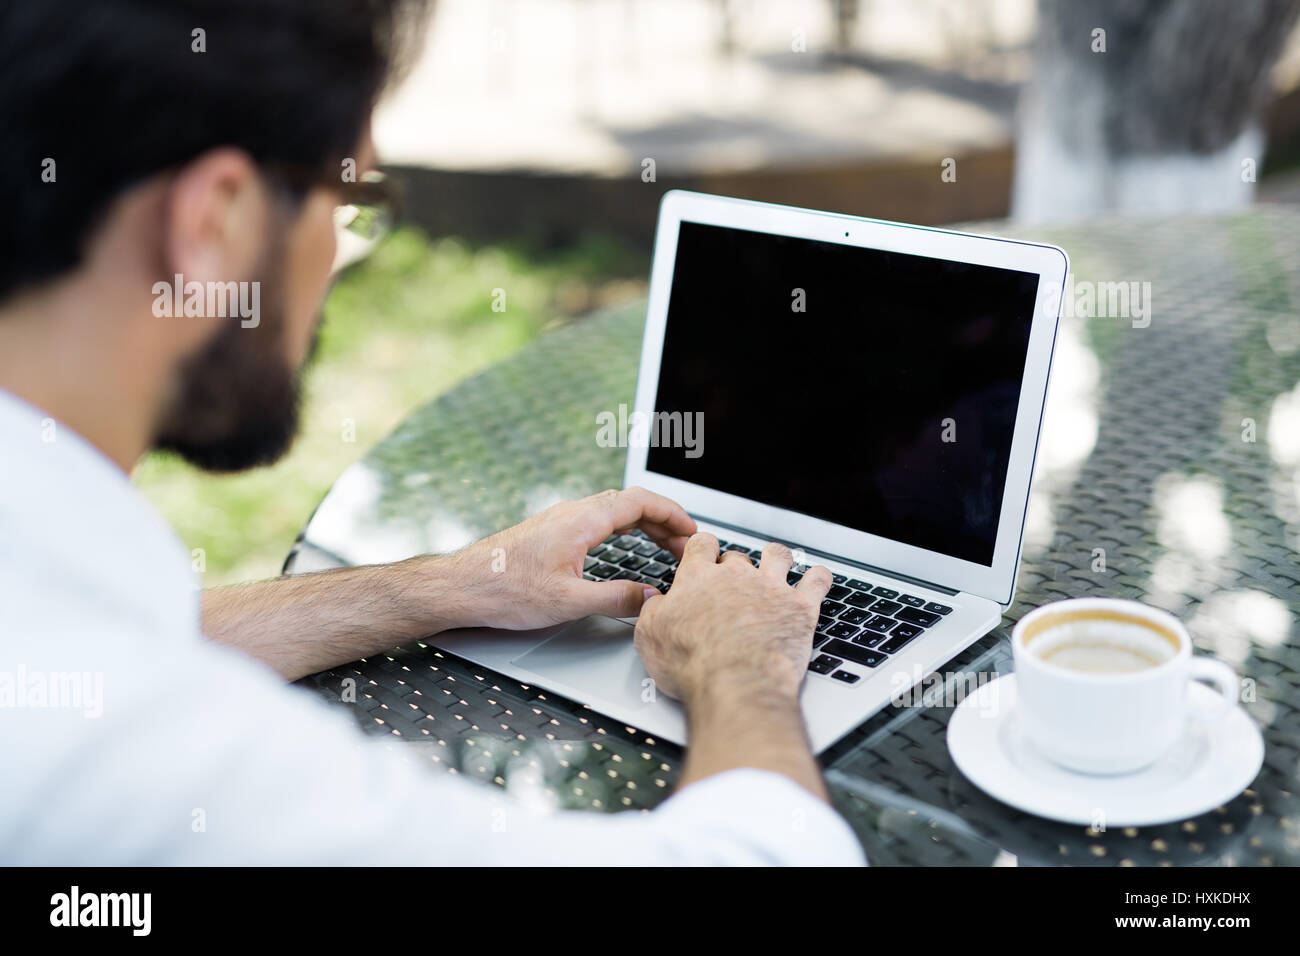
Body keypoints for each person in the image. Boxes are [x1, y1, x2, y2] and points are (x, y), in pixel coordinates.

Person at [0, 0, 863, 865]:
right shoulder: (141, 770)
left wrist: (453, 587)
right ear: (209, 224)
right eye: (350, 202)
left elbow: (115, 640)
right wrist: (741, 666)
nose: (340, 256)